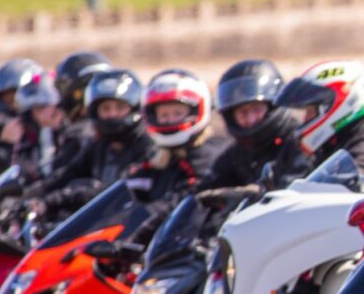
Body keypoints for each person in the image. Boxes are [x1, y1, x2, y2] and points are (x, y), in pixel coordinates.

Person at [272, 60, 364, 212]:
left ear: (335, 106)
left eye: (311, 111)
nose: (305, 119)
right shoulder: (332, 141)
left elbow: (344, 188)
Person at [37, 67, 152, 220]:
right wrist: (30, 197)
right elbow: (66, 175)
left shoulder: (147, 146)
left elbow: (121, 190)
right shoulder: (98, 144)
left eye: (120, 107)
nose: (112, 114)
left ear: (135, 108)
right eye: (106, 108)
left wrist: (61, 197)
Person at [125, 70, 229, 217]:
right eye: (164, 115)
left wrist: (142, 214)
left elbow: (186, 201)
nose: (170, 120)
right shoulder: (162, 156)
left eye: (178, 113)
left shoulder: (208, 155)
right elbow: (134, 183)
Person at [203, 59, 294, 190]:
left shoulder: (296, 142)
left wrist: (258, 193)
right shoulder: (237, 152)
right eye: (243, 113)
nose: (251, 119)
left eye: (256, 109)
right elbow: (205, 188)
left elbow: (293, 186)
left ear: (272, 107)